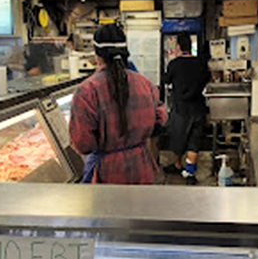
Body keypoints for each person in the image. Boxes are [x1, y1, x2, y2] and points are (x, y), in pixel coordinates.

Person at [69, 23, 166, 184]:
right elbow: (161, 119)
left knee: (111, 210)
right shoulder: (145, 84)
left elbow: (82, 143)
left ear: (97, 55)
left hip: (107, 175)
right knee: (141, 209)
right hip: (142, 168)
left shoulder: (86, 91)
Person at [163, 32, 210, 185]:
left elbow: (166, 80)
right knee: (194, 140)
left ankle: (177, 165)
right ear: (191, 46)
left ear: (178, 47)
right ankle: (190, 173)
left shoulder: (174, 64)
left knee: (178, 137)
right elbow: (207, 79)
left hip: (181, 108)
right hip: (197, 107)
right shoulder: (201, 63)